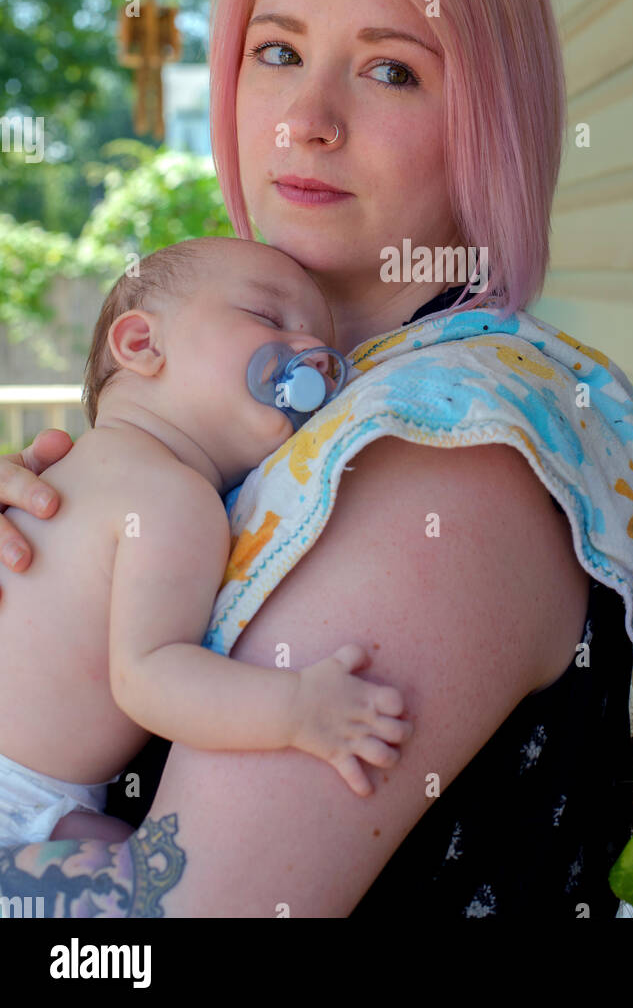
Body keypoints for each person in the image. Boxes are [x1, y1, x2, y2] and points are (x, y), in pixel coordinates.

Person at [0, 0, 633, 918]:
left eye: (391, 70)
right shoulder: (279, 406)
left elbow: (168, 926)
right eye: (277, 52)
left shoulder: (454, 448)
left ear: (493, 120)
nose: (306, 118)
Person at [0, 235, 414, 855]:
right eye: (268, 317)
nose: (314, 359)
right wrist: (299, 710)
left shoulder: (73, 468)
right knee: (151, 884)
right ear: (142, 344)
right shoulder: (172, 497)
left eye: (328, 352)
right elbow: (149, 678)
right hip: (21, 803)